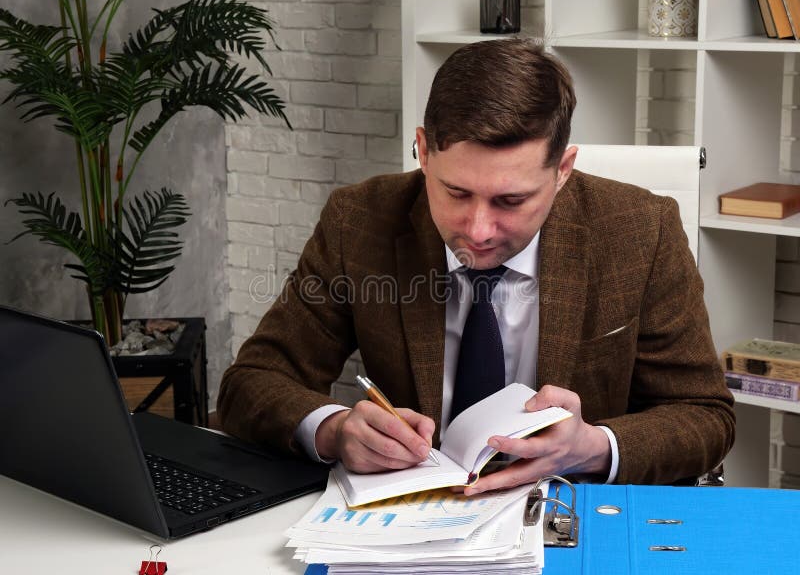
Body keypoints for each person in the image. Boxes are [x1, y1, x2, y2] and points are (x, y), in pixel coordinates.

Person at [218, 39, 735, 489]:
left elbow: (706, 416)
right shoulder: (359, 220)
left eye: (511, 201)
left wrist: (594, 445)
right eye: (456, 192)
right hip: (410, 517)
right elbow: (252, 382)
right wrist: (332, 429)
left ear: (563, 171)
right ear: (422, 150)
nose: (479, 229)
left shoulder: (642, 230)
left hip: (568, 512)